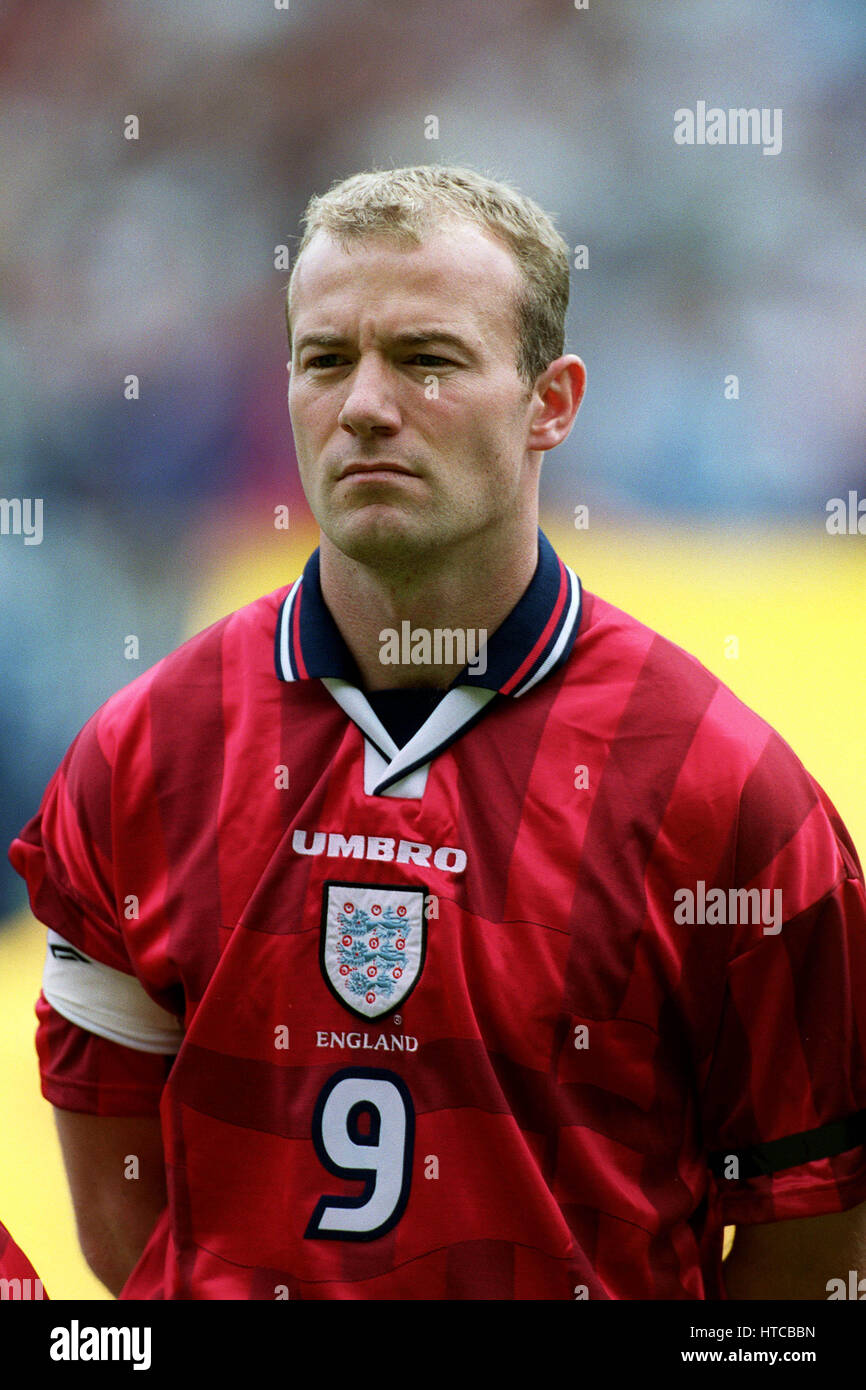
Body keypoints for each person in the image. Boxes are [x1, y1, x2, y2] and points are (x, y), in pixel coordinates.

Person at [9, 164, 866, 1301]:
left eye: (425, 359)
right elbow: (125, 1213)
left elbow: (806, 1249)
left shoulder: (727, 791)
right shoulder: (145, 750)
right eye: (325, 360)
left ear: (550, 401)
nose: (364, 403)